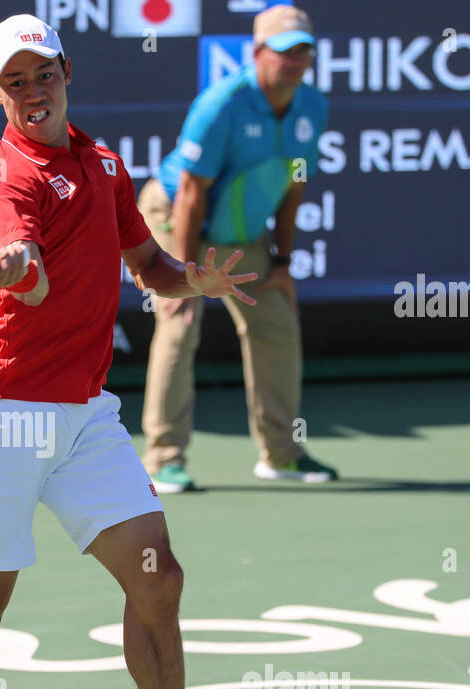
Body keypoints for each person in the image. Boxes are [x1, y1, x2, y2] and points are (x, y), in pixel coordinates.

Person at [0, 13, 267, 689]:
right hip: (1, 419)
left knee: (159, 578)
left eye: (45, 74)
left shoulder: (103, 162)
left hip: (83, 418)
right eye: (15, 81)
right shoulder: (5, 180)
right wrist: (19, 267)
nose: (33, 92)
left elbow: (144, 263)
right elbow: (31, 280)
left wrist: (194, 279)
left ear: (66, 72)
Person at [138, 4, 338, 493]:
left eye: (303, 53)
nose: (294, 62)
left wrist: (283, 263)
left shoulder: (313, 107)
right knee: (180, 324)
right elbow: (190, 192)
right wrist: (185, 275)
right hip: (178, 218)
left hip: (241, 232)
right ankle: (163, 459)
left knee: (277, 322)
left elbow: (294, 187)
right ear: (258, 53)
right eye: (284, 52)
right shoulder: (222, 103)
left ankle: (282, 453)